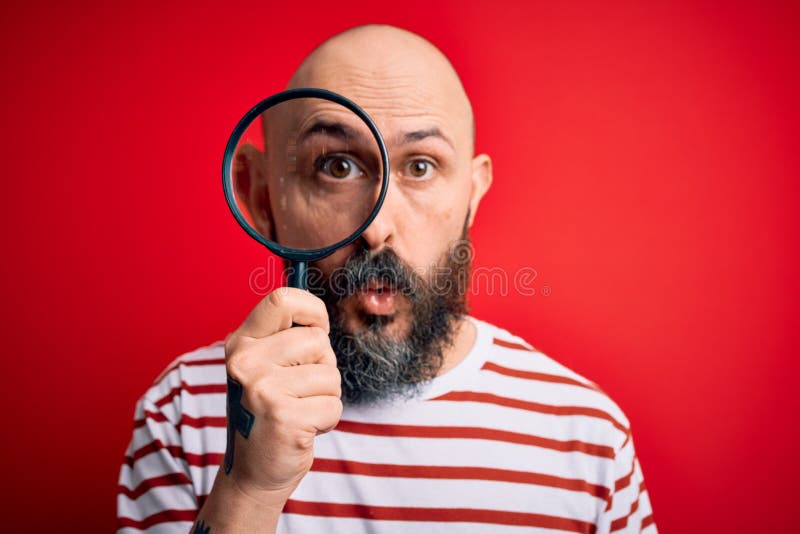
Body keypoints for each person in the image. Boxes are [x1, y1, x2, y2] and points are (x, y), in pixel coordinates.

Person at [118, 24, 656, 533]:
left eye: (421, 166)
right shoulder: (184, 410)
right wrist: (250, 490)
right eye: (336, 166)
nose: (377, 229)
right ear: (260, 196)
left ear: (472, 194)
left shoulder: (588, 440)